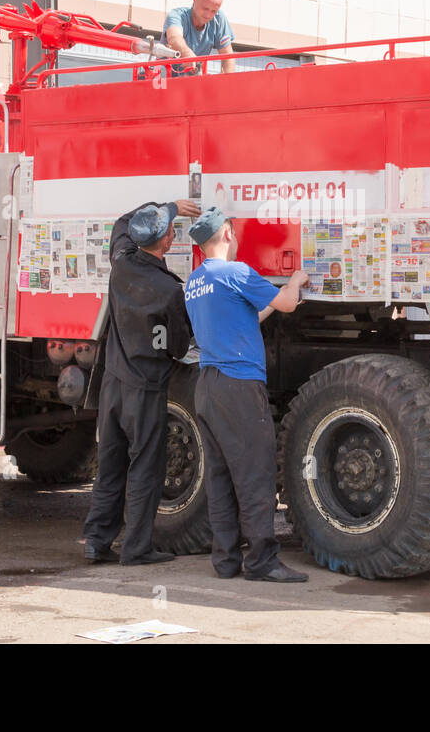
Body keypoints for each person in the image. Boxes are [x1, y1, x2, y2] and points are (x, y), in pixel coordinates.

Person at [184, 206, 310, 583]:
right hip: (239, 385)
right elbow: (287, 303)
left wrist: (272, 302)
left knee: (220, 476)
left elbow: (246, 318)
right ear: (226, 233)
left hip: (207, 385)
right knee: (254, 473)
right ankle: (261, 562)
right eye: (234, 233)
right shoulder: (236, 272)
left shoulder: (195, 281)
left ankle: (225, 561)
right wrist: (296, 281)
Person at [82, 197, 202, 566]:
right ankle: (136, 548)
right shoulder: (169, 291)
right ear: (167, 241)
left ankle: (97, 542)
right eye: (169, 231)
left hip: (112, 384)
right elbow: (179, 345)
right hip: (145, 389)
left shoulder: (121, 261)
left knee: (110, 464)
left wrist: (168, 207)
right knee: (146, 468)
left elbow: (122, 219)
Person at [164, 0, 237, 75]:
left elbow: (228, 56)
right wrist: (187, 53)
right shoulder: (177, 15)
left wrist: (226, 83)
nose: (208, 15)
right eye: (205, 8)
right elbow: (174, 38)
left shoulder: (219, 19)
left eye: (213, 11)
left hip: (193, 79)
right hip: (165, 76)